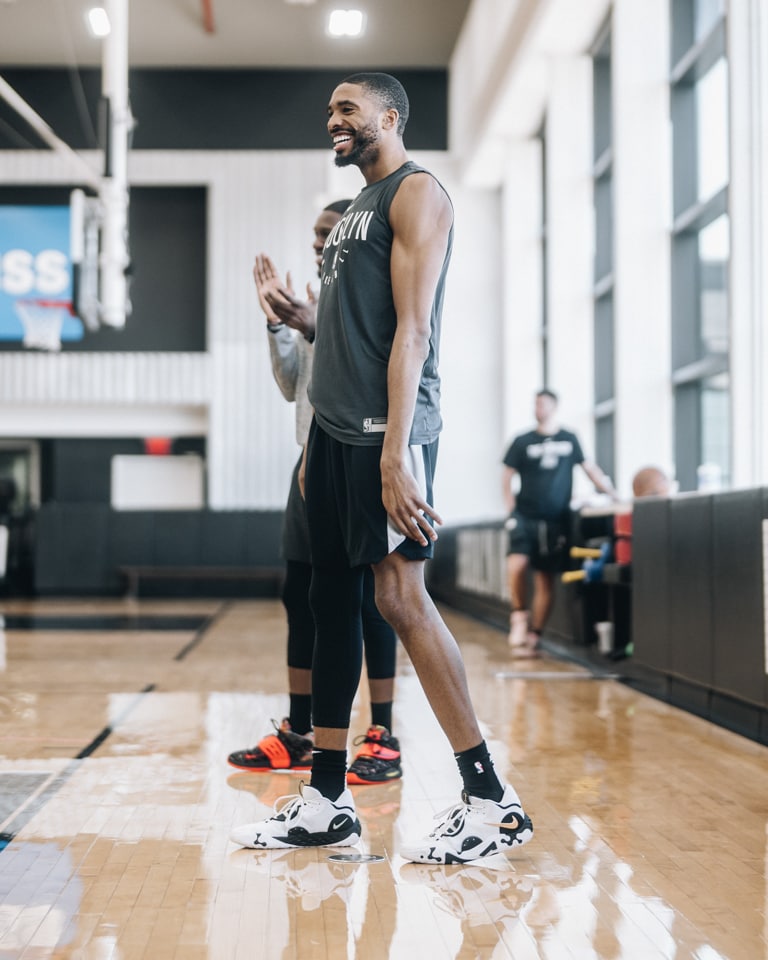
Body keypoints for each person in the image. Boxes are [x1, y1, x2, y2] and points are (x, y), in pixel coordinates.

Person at [230, 72, 533, 864]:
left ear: (390, 117)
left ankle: (490, 798)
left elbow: (413, 332)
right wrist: (304, 326)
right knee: (333, 602)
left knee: (400, 598)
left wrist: (395, 451)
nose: (333, 119)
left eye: (347, 108)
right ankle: (326, 799)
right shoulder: (357, 207)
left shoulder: (416, 192)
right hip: (333, 435)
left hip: (380, 433)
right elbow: (354, 328)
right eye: (330, 108)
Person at [226, 200, 403, 786]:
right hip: (311, 461)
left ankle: (381, 733)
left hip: (365, 460)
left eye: (328, 234)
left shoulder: (369, 299)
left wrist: (313, 323)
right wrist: (280, 324)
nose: (318, 245)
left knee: (373, 599)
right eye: (314, 236)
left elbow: (378, 372)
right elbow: (292, 386)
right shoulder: (316, 302)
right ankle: (299, 734)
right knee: (299, 595)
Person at [501, 388, 617, 657]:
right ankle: (519, 617)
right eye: (535, 403)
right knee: (516, 563)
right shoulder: (522, 441)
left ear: (554, 406)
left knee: (545, 579)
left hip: (556, 519)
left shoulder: (569, 438)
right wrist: (510, 508)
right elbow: (506, 475)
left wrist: (613, 495)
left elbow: (590, 470)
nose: (538, 408)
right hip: (524, 515)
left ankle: (534, 636)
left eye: (542, 403)